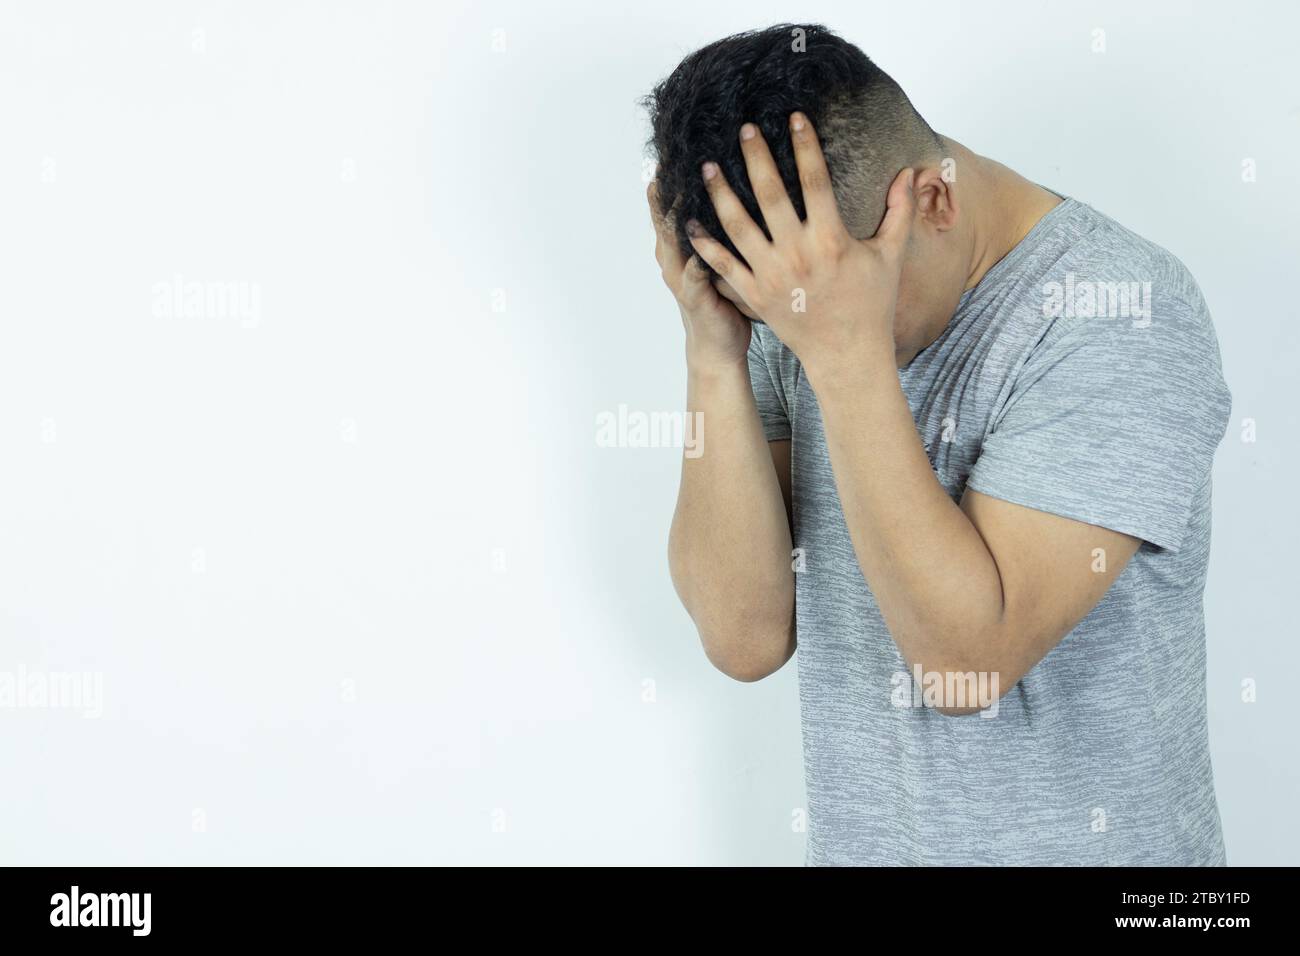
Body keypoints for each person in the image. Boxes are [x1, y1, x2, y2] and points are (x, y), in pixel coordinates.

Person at [646, 23, 1232, 865]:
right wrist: (714, 349)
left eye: (841, 300)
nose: (799, 329)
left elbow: (969, 662)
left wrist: (843, 355)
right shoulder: (800, 292)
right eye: (773, 308)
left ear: (934, 202)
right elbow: (744, 638)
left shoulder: (1120, 313)